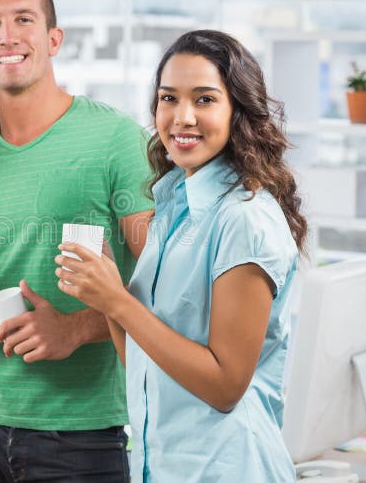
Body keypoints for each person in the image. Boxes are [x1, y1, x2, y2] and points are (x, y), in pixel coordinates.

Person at [0, 0, 154, 482]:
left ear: (53, 39)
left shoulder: (117, 141)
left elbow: (164, 288)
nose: (6, 36)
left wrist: (75, 329)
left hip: (80, 432)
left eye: (23, 20)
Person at [55, 30, 306, 482]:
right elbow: (146, 367)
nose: (182, 116)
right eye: (168, 98)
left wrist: (118, 302)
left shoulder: (243, 219)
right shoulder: (173, 203)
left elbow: (225, 386)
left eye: (205, 99)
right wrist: (108, 294)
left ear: (238, 112)